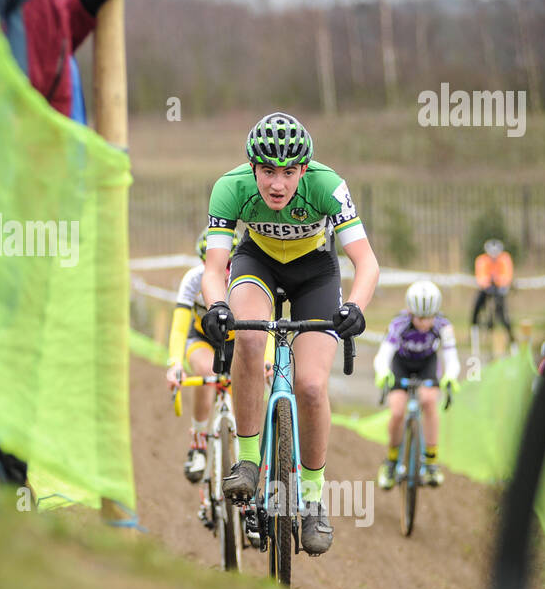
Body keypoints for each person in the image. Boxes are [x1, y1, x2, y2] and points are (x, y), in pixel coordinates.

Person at [198, 113, 380, 556]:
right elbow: (211, 267)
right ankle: (247, 458)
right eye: (267, 172)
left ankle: (313, 499)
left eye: (288, 172)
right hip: (256, 262)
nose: (277, 184)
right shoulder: (230, 187)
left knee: (312, 385)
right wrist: (218, 306)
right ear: (252, 168)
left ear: (304, 170)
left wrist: (355, 306)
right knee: (250, 338)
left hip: (315, 274)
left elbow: (367, 263)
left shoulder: (328, 186)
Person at [164, 227, 253, 482]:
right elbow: (180, 326)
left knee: (251, 386)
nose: (222, 271)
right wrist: (174, 364)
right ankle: (199, 444)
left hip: (237, 345)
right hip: (202, 340)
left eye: (229, 263)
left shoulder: (247, 280)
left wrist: (267, 360)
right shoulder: (193, 280)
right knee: (206, 371)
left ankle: (249, 455)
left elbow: (264, 320)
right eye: (211, 262)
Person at [374, 279, 461, 489]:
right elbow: (384, 355)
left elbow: (451, 357)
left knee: (429, 401)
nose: (424, 323)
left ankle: (431, 462)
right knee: (396, 411)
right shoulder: (399, 324)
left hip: (427, 364)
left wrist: (450, 376)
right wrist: (383, 372)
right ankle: (391, 461)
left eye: (429, 317)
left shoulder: (444, 326)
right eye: (420, 318)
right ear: (411, 312)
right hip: (401, 364)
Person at [472, 238, 515, 348]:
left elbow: (507, 275)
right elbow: (480, 276)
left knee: (502, 312)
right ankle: (474, 331)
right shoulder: (482, 260)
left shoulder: (505, 259)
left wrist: (500, 282)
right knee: (477, 307)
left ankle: (511, 338)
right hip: (486, 289)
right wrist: (487, 284)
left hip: (500, 289)